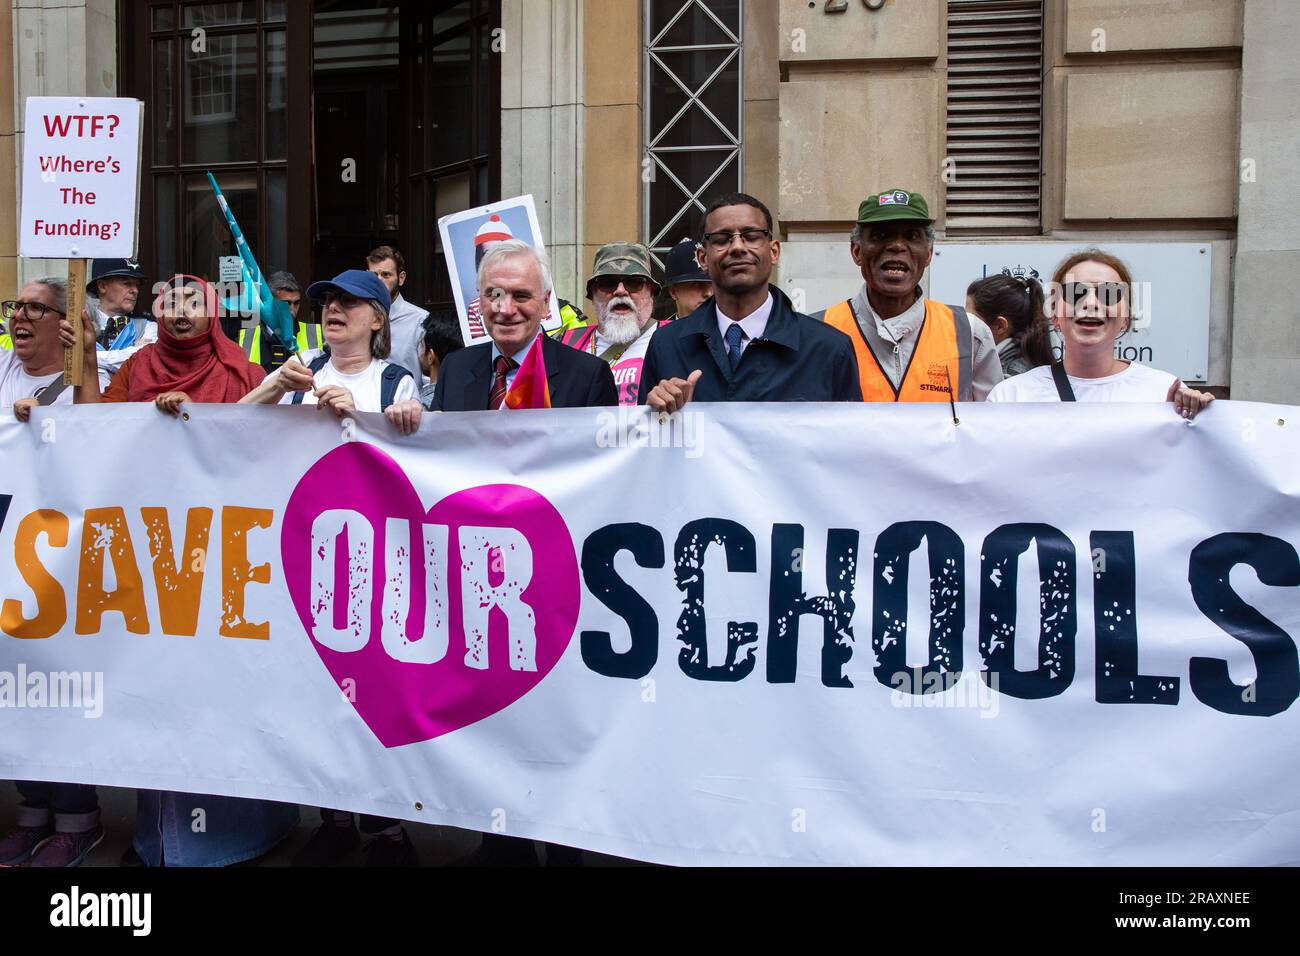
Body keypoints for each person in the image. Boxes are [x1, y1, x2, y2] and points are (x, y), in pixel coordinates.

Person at [639, 193, 860, 412]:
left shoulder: (827, 348)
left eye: (751, 236)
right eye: (721, 239)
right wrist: (657, 416)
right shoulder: (666, 345)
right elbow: (647, 443)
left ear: (774, 251)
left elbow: (845, 443)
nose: (737, 247)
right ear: (703, 258)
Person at [815, 189, 1001, 403]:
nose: (897, 246)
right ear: (857, 251)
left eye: (912, 236)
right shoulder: (817, 332)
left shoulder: (969, 333)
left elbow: (992, 427)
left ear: (929, 253)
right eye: (881, 235)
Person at [988, 249, 1214, 418]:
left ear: (1126, 316)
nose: (1091, 303)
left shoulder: (1164, 392)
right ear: (1055, 313)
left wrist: (1189, 418)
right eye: (1076, 293)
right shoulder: (1013, 396)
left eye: (1109, 293)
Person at [432, 239, 617, 413]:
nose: (506, 309)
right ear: (480, 302)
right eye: (495, 295)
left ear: (545, 303)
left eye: (521, 296)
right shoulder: (454, 369)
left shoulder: (588, 377)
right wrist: (411, 423)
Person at [62, 275, 265, 414]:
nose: (181, 310)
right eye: (170, 304)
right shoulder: (138, 364)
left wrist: (194, 415)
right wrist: (86, 351)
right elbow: (96, 424)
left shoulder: (243, 372)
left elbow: (253, 439)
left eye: (194, 303)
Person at [240, 269, 418, 426]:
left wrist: (357, 419)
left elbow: (404, 460)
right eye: (327, 299)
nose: (332, 306)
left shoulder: (397, 385)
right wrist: (277, 385)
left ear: (377, 320)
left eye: (348, 300)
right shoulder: (303, 365)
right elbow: (233, 422)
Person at [556, 242, 669, 405]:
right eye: (607, 282)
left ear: (651, 292)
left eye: (634, 282)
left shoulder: (674, 338)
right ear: (592, 294)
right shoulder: (567, 343)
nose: (621, 291)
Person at [3, 278, 111, 423]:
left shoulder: (95, 383)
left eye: (35, 307)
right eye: (17, 306)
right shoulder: (4, 364)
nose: (18, 315)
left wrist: (85, 356)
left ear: (69, 323)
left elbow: (90, 433)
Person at [383, 310, 464, 431]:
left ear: (430, 356)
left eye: (421, 346)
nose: (420, 354)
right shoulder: (467, 398)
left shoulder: (419, 408)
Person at [966, 270, 1054, 377]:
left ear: (1000, 326)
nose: (965, 325)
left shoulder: (1011, 375)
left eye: (971, 319)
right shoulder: (1003, 368)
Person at [236, 270, 324, 372]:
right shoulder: (247, 338)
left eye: (296, 303)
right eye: (286, 304)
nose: (292, 310)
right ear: (270, 304)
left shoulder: (314, 334)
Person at [85, 257, 157, 374]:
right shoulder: (79, 323)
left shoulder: (148, 327)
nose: (135, 290)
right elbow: (65, 359)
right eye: (126, 283)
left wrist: (87, 356)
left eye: (137, 285)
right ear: (102, 286)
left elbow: (143, 361)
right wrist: (132, 351)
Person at [366, 246, 427, 382]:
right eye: (374, 275)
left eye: (386, 275)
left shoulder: (420, 320)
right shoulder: (358, 318)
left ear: (401, 278)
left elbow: (429, 380)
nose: (379, 281)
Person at [662, 237, 713, 318]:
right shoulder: (659, 330)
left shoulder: (732, 329)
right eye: (697, 284)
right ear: (673, 292)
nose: (708, 293)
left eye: (712, 284)